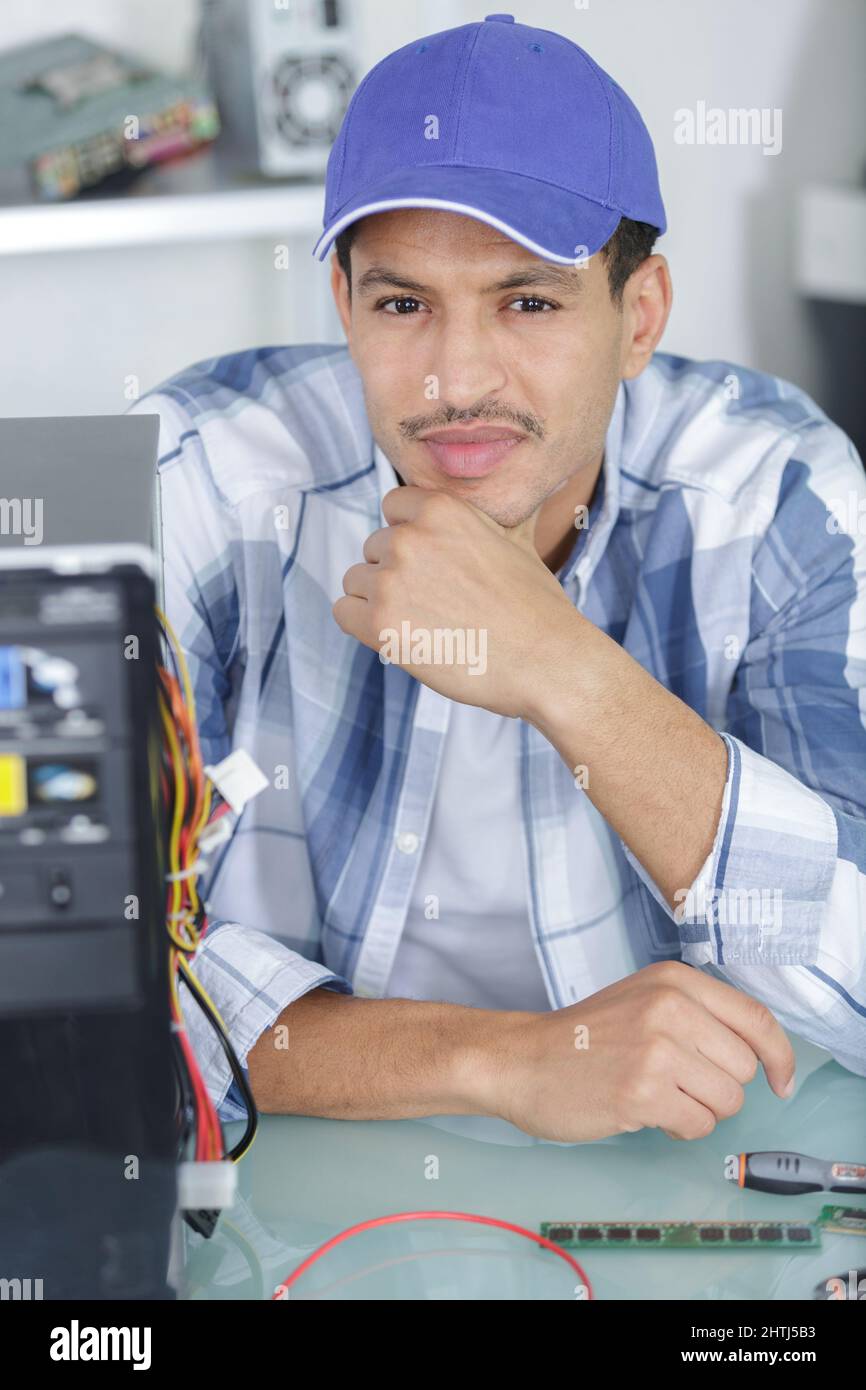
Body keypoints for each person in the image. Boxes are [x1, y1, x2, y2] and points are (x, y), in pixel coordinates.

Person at [133, 15, 866, 1143]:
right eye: (401, 303)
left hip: (677, 1178)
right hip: (294, 1183)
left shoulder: (774, 491)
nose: (454, 378)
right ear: (340, 304)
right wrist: (503, 1061)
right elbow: (68, 974)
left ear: (640, 316)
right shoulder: (194, 467)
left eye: (527, 301)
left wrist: (560, 666)